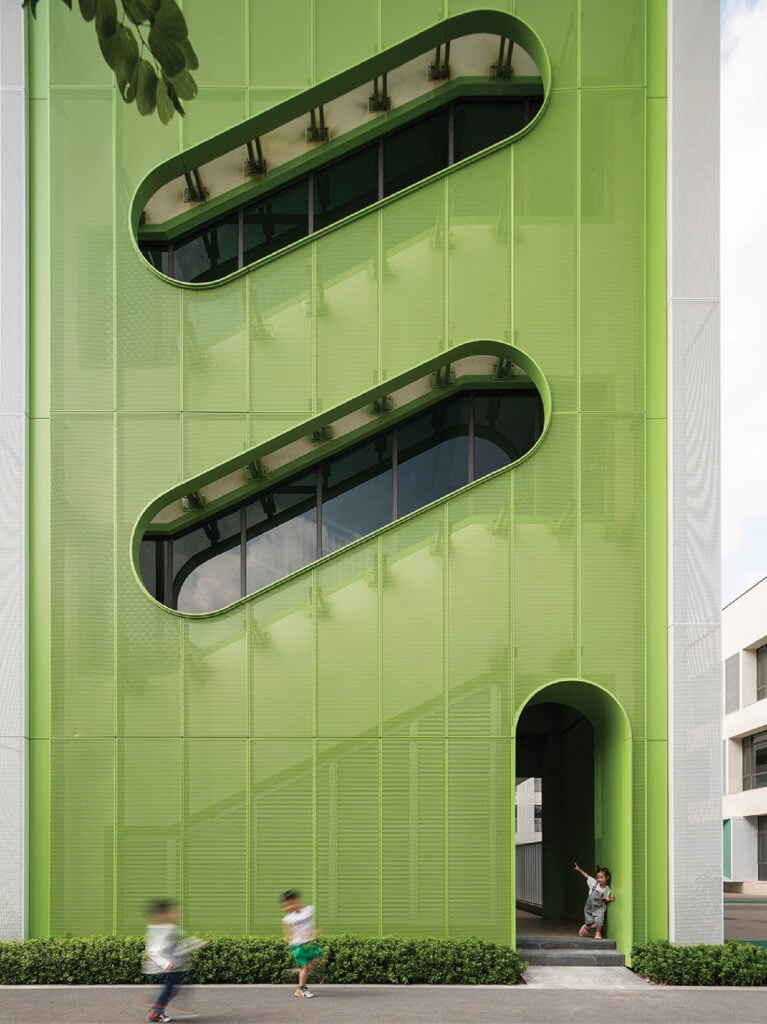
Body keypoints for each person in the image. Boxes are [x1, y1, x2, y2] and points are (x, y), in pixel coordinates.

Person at [143, 898, 208, 1023]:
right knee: (169, 990)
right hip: (169, 967)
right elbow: (153, 950)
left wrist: (196, 945)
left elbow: (178, 947)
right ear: (162, 914)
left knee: (172, 989)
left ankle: (155, 1006)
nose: (177, 914)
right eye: (173, 912)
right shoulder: (164, 930)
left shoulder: (168, 928)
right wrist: (165, 963)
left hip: (174, 966)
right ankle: (155, 1012)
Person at [281, 889, 323, 998]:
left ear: (298, 900)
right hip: (298, 946)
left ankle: (300, 984)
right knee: (305, 967)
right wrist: (291, 938)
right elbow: (287, 935)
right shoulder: (288, 919)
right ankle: (301, 989)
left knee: (316, 960)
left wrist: (314, 932)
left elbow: (313, 923)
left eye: (292, 902)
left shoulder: (308, 910)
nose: (291, 905)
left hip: (308, 944)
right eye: (288, 904)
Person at [573, 862, 614, 940]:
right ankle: (587, 927)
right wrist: (579, 869)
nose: (599, 879)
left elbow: (605, 898)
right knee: (590, 921)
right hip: (590, 905)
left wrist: (609, 899)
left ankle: (597, 933)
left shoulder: (607, 889)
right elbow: (586, 875)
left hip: (599, 906)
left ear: (607, 878)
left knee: (599, 919)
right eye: (598, 877)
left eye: (602, 877)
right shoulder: (594, 883)